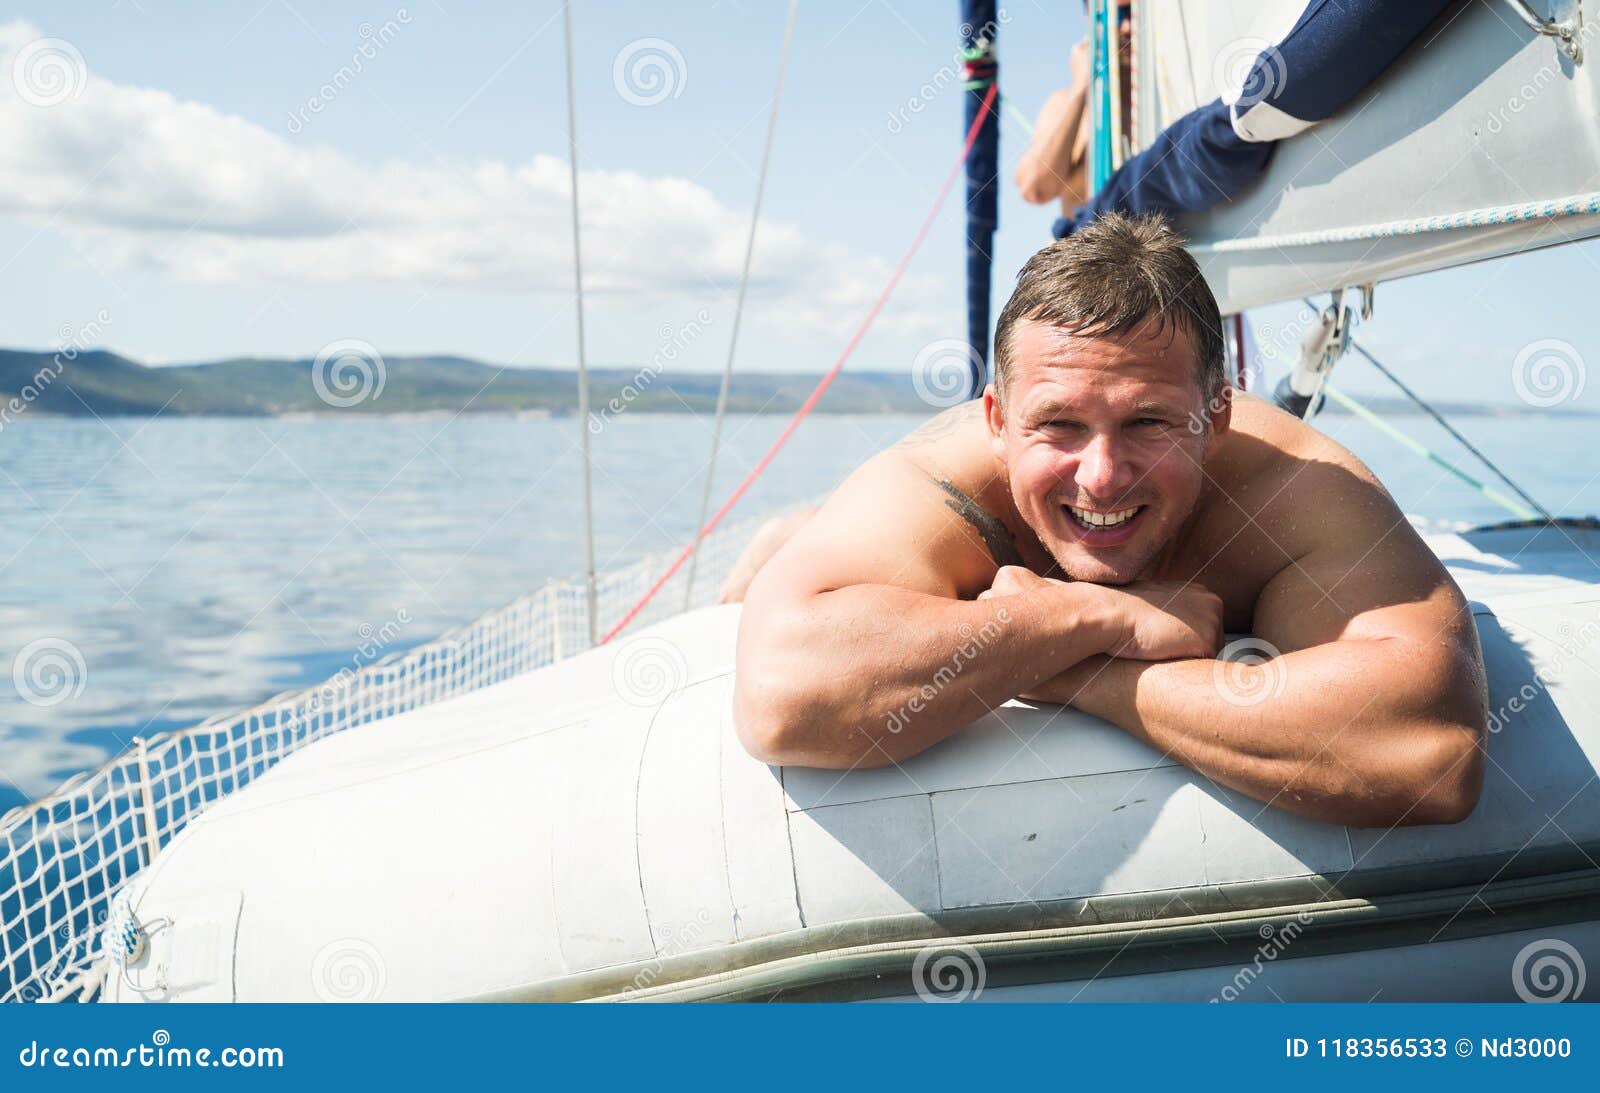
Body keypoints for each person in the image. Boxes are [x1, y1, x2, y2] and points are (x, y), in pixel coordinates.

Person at [728, 214, 1486, 828]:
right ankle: (802, 525)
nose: (1101, 474)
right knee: (815, 540)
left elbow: (1431, 752)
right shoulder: (943, 487)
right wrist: (1099, 613)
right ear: (995, 420)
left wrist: (1082, 671)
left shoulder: (1286, 488)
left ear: (1215, 418)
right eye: (1058, 423)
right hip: (899, 521)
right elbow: (782, 693)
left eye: (1150, 423)